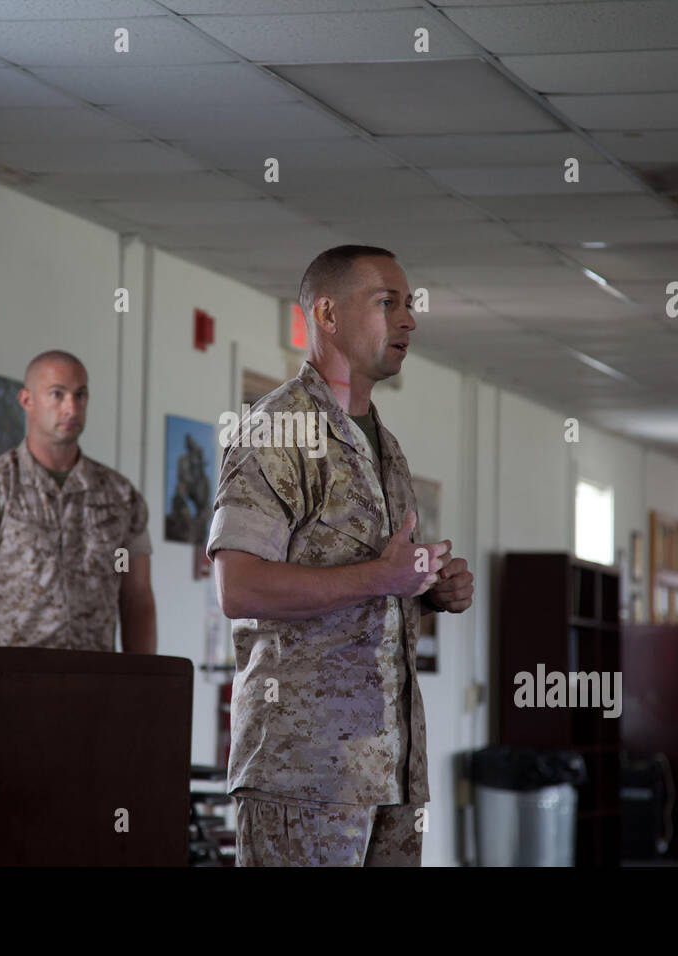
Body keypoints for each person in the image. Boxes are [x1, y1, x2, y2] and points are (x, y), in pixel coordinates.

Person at [207, 245, 474, 866]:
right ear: (327, 314)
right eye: (388, 303)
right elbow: (238, 587)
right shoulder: (275, 432)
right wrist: (378, 576)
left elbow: (370, 598)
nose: (409, 320)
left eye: (409, 305)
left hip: (392, 771)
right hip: (303, 775)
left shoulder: (387, 446)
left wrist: (429, 592)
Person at [0, 350, 157, 653]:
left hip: (96, 684)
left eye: (80, 395)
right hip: (14, 683)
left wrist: (141, 687)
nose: (71, 408)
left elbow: (138, 600)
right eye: (57, 394)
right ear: (27, 401)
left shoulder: (121, 496)